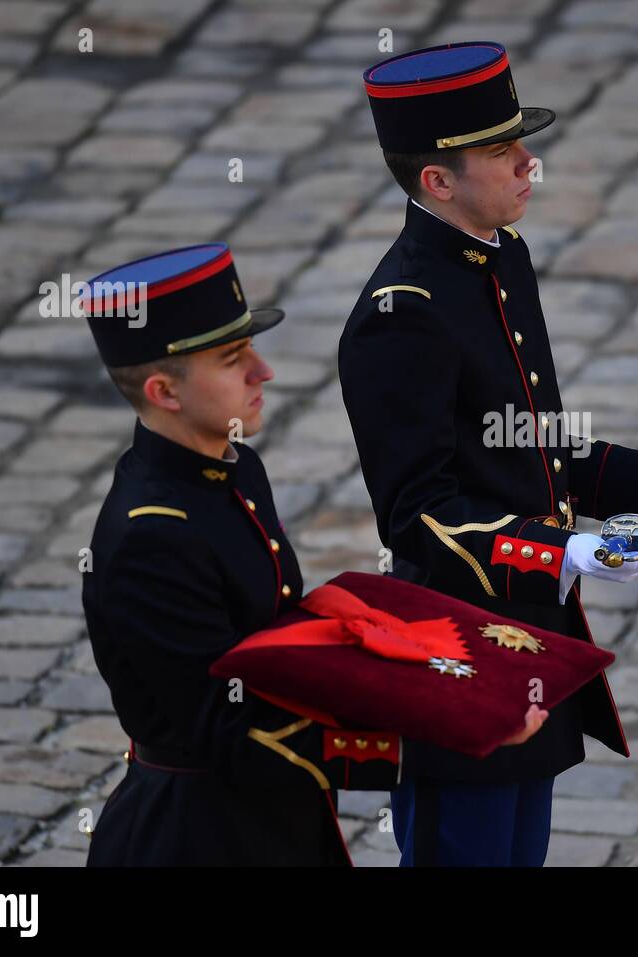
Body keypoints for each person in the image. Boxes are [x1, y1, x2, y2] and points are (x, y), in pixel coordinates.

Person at [339, 41, 638, 866]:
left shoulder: (500, 258)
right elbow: (420, 518)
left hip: (529, 636)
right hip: (458, 652)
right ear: (438, 180)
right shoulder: (404, 314)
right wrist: (557, 551)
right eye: (503, 151)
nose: (531, 163)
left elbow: (527, 442)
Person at [79, 243, 409, 865]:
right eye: (234, 359)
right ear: (163, 391)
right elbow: (226, 728)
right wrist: (419, 745)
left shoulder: (233, 465)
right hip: (198, 837)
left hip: (277, 819)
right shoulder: (151, 537)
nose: (264, 372)